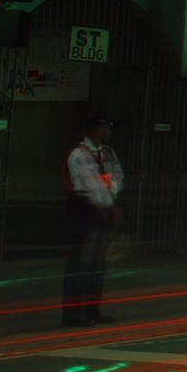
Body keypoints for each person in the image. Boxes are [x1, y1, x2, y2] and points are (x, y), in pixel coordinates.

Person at [62, 113, 125, 326]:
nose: (107, 131)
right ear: (91, 130)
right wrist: (101, 202)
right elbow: (86, 183)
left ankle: (91, 308)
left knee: (98, 263)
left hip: (103, 208)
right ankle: (73, 312)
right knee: (80, 261)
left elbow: (116, 178)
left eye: (108, 127)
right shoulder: (79, 154)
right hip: (84, 208)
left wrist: (109, 201)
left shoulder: (107, 153)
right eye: (102, 127)